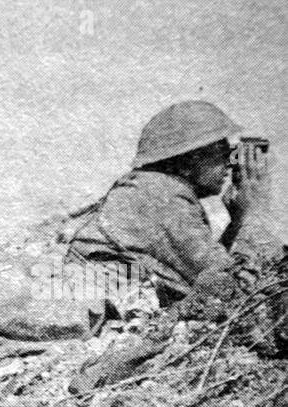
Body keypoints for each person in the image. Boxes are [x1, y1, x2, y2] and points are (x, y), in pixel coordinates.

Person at [65, 100, 279, 313]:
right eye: (223, 153)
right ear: (189, 159)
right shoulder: (160, 195)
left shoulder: (151, 189)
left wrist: (238, 220)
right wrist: (255, 215)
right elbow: (235, 293)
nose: (230, 164)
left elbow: (210, 276)